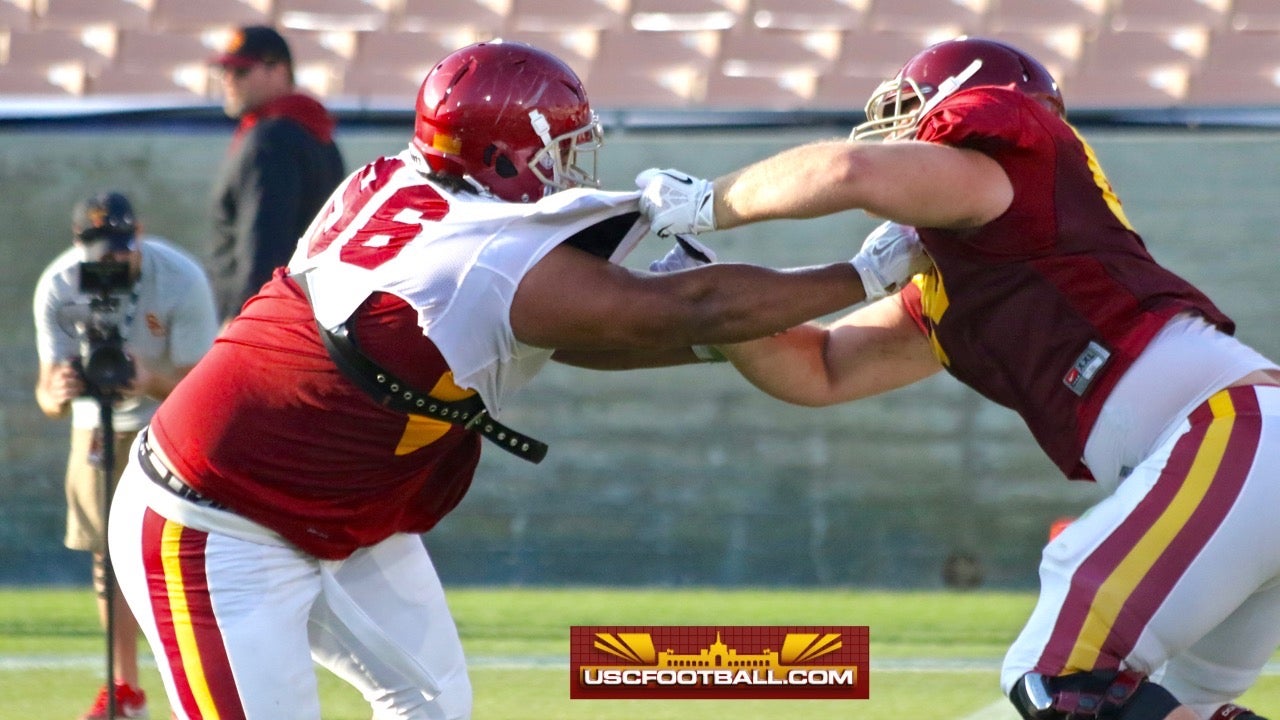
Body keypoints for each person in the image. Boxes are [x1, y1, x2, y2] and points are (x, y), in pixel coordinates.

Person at [105, 40, 899, 720]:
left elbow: (560, 334)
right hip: (212, 521)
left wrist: (707, 337)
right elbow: (688, 303)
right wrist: (865, 274)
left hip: (339, 508)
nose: (568, 166)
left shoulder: (399, 181)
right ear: (498, 156)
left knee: (435, 702)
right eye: (558, 147)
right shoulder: (476, 260)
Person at [635, 36, 1280, 720]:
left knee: (1057, 679)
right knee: (1155, 703)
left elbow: (852, 167)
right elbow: (821, 368)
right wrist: (720, 306)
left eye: (909, 117)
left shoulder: (1012, 152)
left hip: (1232, 437)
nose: (897, 138)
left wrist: (709, 200)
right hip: (1238, 460)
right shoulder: (971, 279)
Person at [33, 191, 219, 719]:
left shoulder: (179, 278)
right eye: (101, 251)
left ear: (139, 235)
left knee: (180, 553)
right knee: (106, 557)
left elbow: (204, 385)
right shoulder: (59, 284)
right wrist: (58, 393)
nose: (114, 260)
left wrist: (148, 378)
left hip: (170, 421)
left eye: (122, 246)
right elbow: (47, 390)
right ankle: (125, 689)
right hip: (96, 427)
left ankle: (200, 679)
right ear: (79, 246)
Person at [207, 24, 345, 323]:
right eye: (226, 72)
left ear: (279, 70)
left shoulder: (270, 139)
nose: (229, 81)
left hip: (267, 318)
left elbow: (261, 241)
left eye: (241, 72)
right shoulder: (318, 133)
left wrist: (241, 321)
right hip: (311, 315)